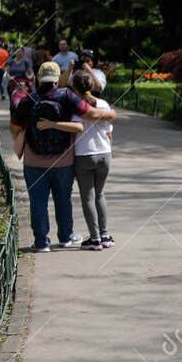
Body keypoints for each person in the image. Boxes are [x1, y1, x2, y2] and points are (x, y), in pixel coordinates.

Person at [10, 61, 116, 252]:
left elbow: (15, 127)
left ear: (37, 78)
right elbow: (90, 113)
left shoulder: (27, 100)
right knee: (63, 199)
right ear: (57, 80)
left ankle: (41, 242)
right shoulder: (67, 96)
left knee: (38, 201)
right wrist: (110, 114)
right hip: (64, 160)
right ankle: (66, 237)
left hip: (34, 162)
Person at [70, 68, 115, 250]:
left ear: (74, 88)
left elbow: (73, 131)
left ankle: (94, 238)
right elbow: (110, 132)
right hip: (105, 152)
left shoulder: (76, 106)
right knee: (100, 194)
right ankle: (105, 235)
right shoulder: (103, 104)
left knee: (87, 197)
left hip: (84, 154)